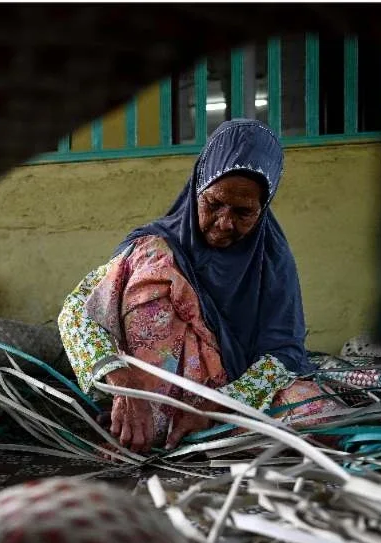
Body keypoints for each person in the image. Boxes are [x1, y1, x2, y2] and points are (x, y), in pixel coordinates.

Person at [59, 119, 335, 453]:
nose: (225, 223)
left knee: (322, 417)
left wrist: (214, 406)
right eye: (214, 204)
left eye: (244, 212)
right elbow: (78, 311)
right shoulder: (154, 248)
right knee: (153, 262)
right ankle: (151, 423)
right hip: (155, 396)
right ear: (196, 190)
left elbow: (284, 352)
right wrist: (122, 384)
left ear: (263, 208)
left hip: (237, 396)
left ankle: (199, 434)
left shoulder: (272, 260)